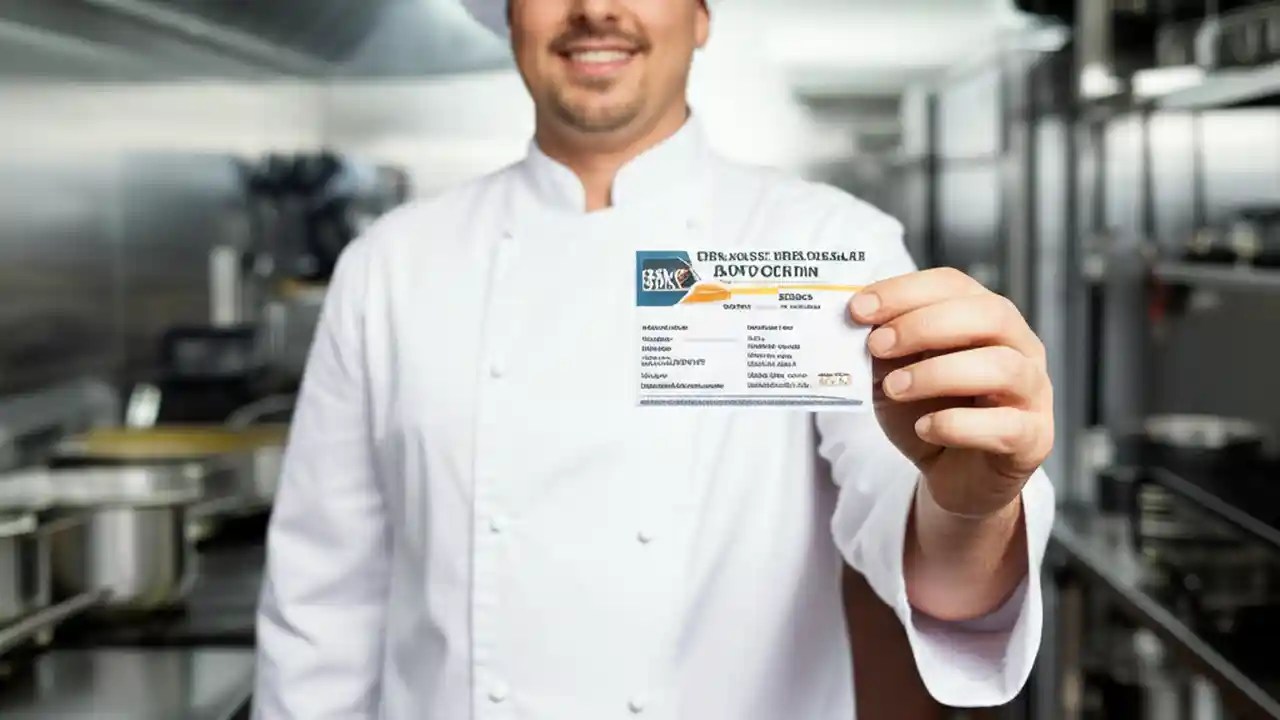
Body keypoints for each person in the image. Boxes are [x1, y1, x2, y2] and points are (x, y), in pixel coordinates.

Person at [253, 0, 1056, 717]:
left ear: (702, 15)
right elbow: (322, 604)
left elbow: (924, 547)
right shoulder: (392, 266)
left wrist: (973, 507)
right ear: (508, 14)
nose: (595, 10)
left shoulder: (823, 246)